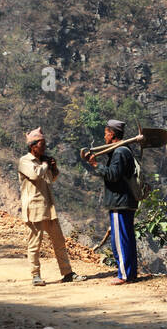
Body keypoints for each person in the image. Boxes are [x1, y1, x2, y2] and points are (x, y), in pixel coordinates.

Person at [18, 128, 82, 286]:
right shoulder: (25, 161)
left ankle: (67, 272)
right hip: (34, 209)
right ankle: (35, 275)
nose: (44, 147)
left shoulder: (42, 161)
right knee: (34, 244)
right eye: (42, 144)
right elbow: (35, 174)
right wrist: (46, 164)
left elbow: (50, 179)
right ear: (33, 146)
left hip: (48, 207)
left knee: (59, 242)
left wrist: (53, 168)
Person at [80, 118, 140, 284]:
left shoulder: (120, 152)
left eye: (106, 133)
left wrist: (95, 165)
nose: (104, 136)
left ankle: (124, 275)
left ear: (112, 134)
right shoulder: (122, 150)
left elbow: (113, 175)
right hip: (125, 201)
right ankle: (129, 273)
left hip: (120, 202)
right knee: (126, 237)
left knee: (120, 240)